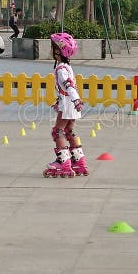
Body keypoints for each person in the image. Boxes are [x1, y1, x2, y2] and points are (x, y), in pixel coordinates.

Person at [43, 32, 88, 178]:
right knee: (69, 130)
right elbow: (67, 87)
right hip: (71, 104)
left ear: (58, 51)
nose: (51, 50)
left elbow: (69, 86)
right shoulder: (67, 67)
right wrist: (63, 100)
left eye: (53, 48)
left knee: (58, 131)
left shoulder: (61, 69)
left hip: (69, 104)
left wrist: (75, 100)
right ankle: (78, 161)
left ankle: (64, 163)